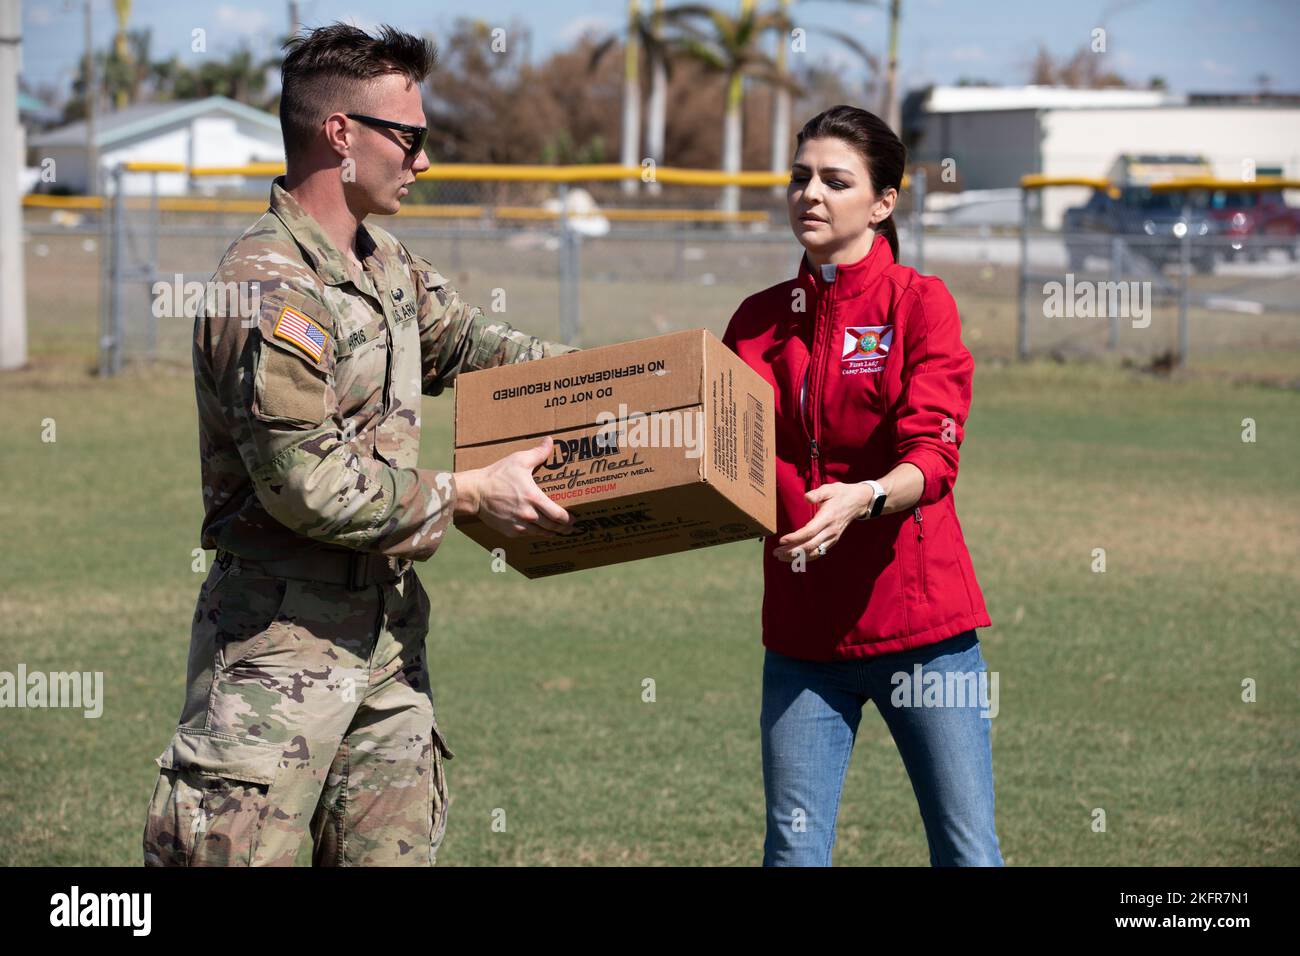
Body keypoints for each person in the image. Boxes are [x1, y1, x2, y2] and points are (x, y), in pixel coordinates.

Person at [142, 23, 576, 867]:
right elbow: (306, 485)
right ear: (340, 136)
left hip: (387, 642)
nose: (423, 162)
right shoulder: (268, 287)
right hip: (279, 646)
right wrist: (471, 491)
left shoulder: (386, 266)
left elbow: (483, 348)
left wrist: (638, 384)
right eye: (409, 138)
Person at [722, 105, 1002, 866]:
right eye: (800, 177)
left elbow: (934, 458)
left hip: (924, 637)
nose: (809, 193)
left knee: (967, 850)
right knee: (793, 850)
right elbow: (732, 460)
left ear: (882, 202)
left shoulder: (920, 303)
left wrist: (863, 496)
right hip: (804, 638)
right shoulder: (752, 324)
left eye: (835, 180)